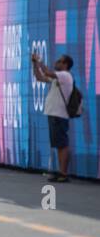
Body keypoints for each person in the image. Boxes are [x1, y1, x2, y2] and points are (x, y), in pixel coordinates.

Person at [32, 51, 76, 183]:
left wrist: (39, 60)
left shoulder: (65, 75)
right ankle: (61, 171)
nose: (56, 62)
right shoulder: (59, 77)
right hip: (54, 113)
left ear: (65, 64)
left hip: (59, 114)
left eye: (59, 61)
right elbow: (40, 77)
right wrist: (35, 65)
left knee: (62, 144)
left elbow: (46, 72)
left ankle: (64, 172)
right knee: (59, 144)